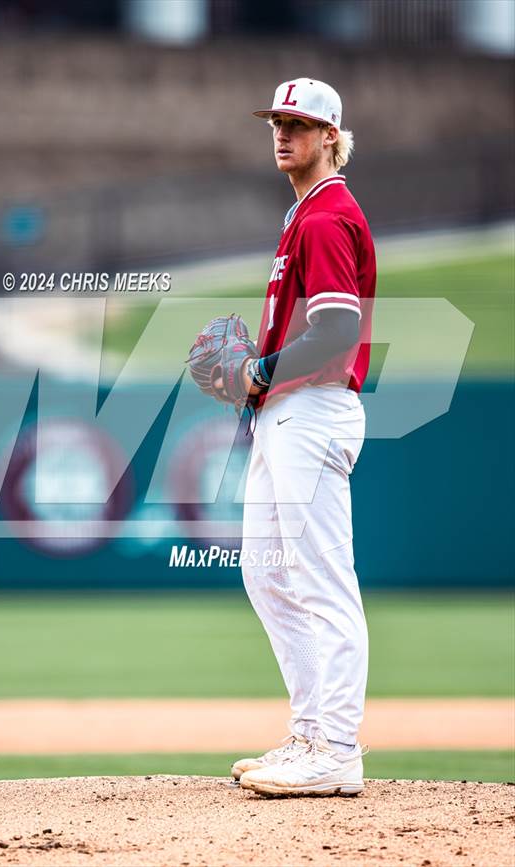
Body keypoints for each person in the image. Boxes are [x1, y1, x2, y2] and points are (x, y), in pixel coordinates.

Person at [231, 78, 377, 796]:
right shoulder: (305, 214)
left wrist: (261, 368)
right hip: (287, 410)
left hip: (312, 407)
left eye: (298, 122)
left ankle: (337, 746)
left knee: (320, 577)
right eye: (276, 121)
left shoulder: (323, 218)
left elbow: (339, 332)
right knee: (266, 569)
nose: (282, 132)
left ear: (329, 136)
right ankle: (311, 731)